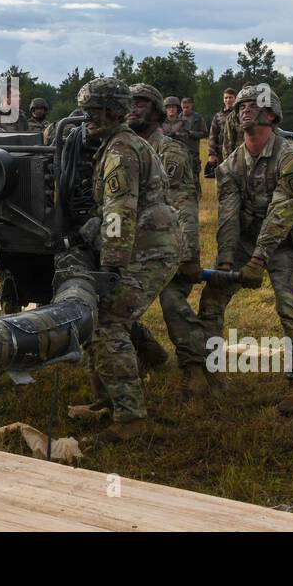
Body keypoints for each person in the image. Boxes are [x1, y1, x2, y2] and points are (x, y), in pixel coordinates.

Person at [194, 84, 293, 415]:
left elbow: (282, 213)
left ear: (271, 115)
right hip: (245, 241)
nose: (244, 110)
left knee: (289, 305)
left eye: (253, 105)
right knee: (212, 298)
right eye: (240, 106)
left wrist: (257, 259)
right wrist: (225, 261)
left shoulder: (290, 157)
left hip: (286, 242)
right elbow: (228, 216)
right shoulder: (229, 166)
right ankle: (209, 374)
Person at [66, 78, 182, 443]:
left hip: (150, 248)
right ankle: (108, 399)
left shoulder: (119, 153)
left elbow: (120, 212)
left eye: (93, 112)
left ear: (112, 112)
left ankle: (130, 418)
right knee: (102, 316)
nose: (87, 119)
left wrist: (112, 265)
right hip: (144, 242)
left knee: (107, 321)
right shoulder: (118, 145)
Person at [125, 84, 203, 382]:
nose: (133, 107)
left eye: (141, 103)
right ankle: (148, 351)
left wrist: (190, 255)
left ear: (156, 111)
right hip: (128, 245)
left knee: (173, 303)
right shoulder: (119, 147)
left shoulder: (169, 152)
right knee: (110, 303)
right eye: (129, 102)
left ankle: (194, 368)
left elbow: (185, 203)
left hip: (165, 246)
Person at [206, 87, 238, 178]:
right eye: (226, 98)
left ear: (235, 98)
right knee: (222, 180)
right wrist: (212, 154)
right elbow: (212, 136)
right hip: (221, 154)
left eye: (230, 97)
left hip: (238, 152)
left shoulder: (240, 114)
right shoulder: (218, 116)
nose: (228, 100)